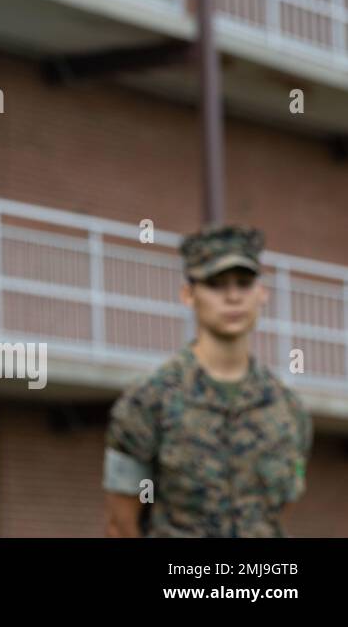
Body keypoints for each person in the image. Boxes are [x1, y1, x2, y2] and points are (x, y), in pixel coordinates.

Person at [103, 224, 312, 537]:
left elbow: (281, 512)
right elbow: (121, 525)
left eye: (244, 283)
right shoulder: (149, 400)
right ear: (188, 294)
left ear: (262, 293)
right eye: (216, 284)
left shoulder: (288, 410)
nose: (232, 297)